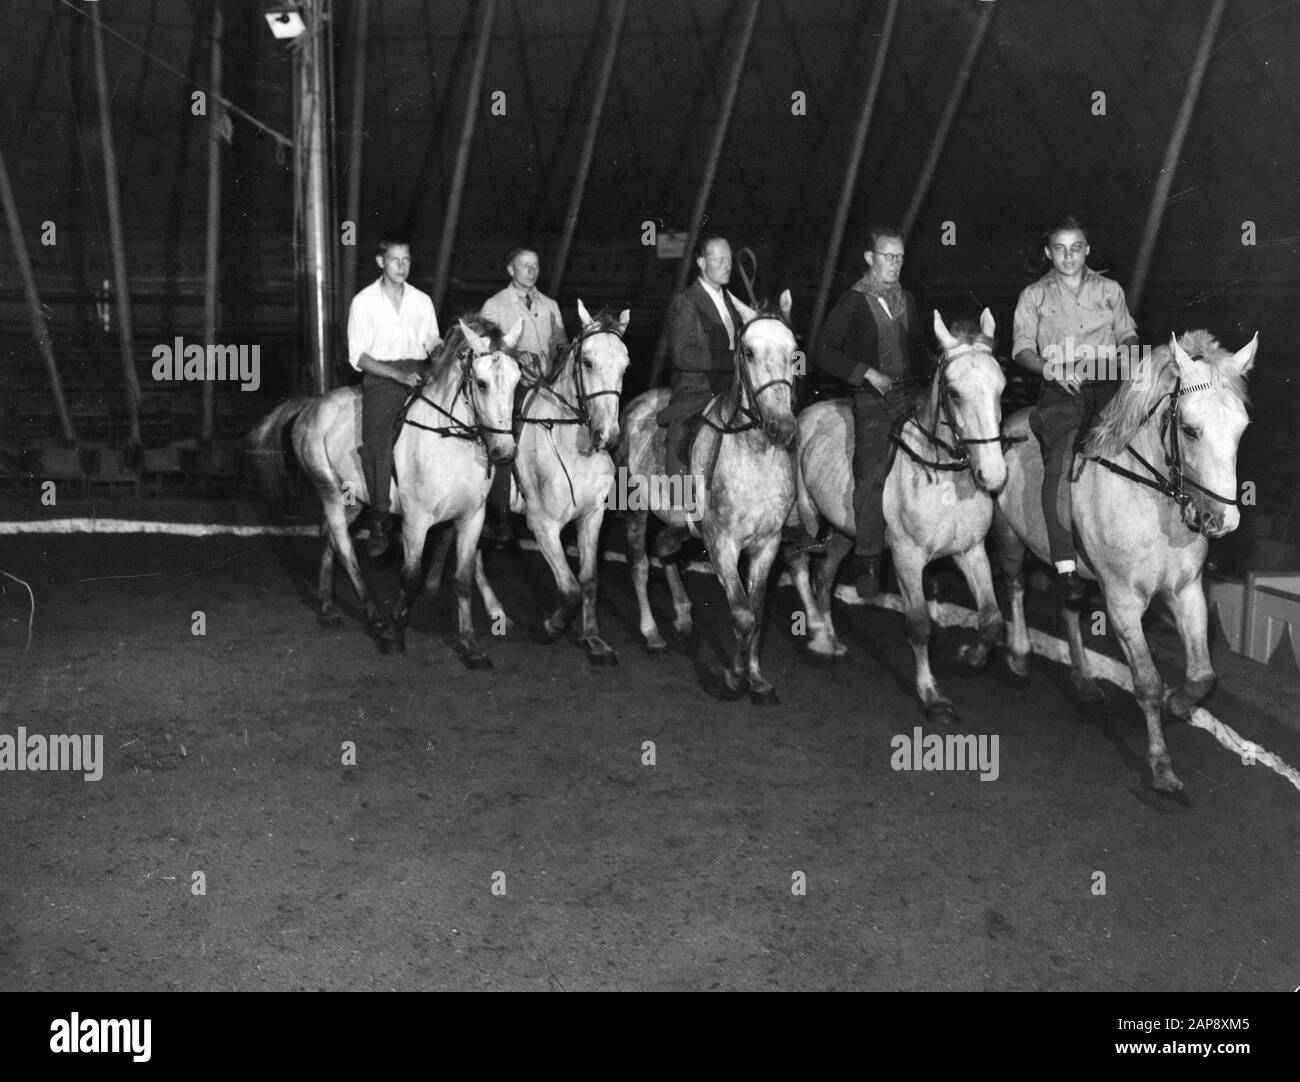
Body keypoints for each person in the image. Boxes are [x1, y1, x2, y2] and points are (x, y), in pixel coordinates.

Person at [1012, 216, 1139, 604]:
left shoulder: (1110, 290)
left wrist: (1131, 352)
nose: (1069, 256)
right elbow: (1021, 349)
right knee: (1060, 466)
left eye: (1077, 248)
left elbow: (1127, 333)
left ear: (1088, 250)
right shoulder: (1034, 295)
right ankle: (1066, 564)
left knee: (1158, 442)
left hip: (1110, 381)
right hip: (1061, 387)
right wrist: (1051, 368)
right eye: (1060, 249)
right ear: (1048, 253)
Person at [812, 226, 926, 599]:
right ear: (870, 258)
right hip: (873, 402)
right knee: (872, 474)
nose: (894, 264)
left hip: (912, 396)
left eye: (899, 257)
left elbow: (919, 351)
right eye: (887, 256)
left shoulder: (907, 298)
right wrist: (863, 373)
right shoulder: (853, 300)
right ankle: (869, 560)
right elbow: (824, 351)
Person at [654, 234, 747, 557]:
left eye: (729, 260)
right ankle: (678, 519)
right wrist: (734, 359)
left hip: (731, 388)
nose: (726, 266)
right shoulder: (686, 301)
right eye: (718, 259)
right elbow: (683, 354)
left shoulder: (734, 303)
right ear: (701, 263)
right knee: (683, 434)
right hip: (696, 389)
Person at [347, 237, 441, 559]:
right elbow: (358, 356)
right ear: (380, 262)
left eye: (406, 260)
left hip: (418, 371)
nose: (401, 266)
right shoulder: (364, 301)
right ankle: (379, 518)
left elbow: (431, 339)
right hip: (382, 378)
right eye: (394, 259)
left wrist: (446, 351)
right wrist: (397, 375)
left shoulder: (422, 301)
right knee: (376, 443)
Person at [479, 247, 567, 546]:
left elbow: (560, 343)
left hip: (548, 384)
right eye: (525, 266)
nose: (532, 271)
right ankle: (501, 510)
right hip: (513, 387)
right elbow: (488, 351)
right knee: (507, 432)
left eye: (536, 265)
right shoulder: (495, 305)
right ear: (510, 270)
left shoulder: (550, 304)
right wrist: (519, 357)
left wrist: (558, 353)